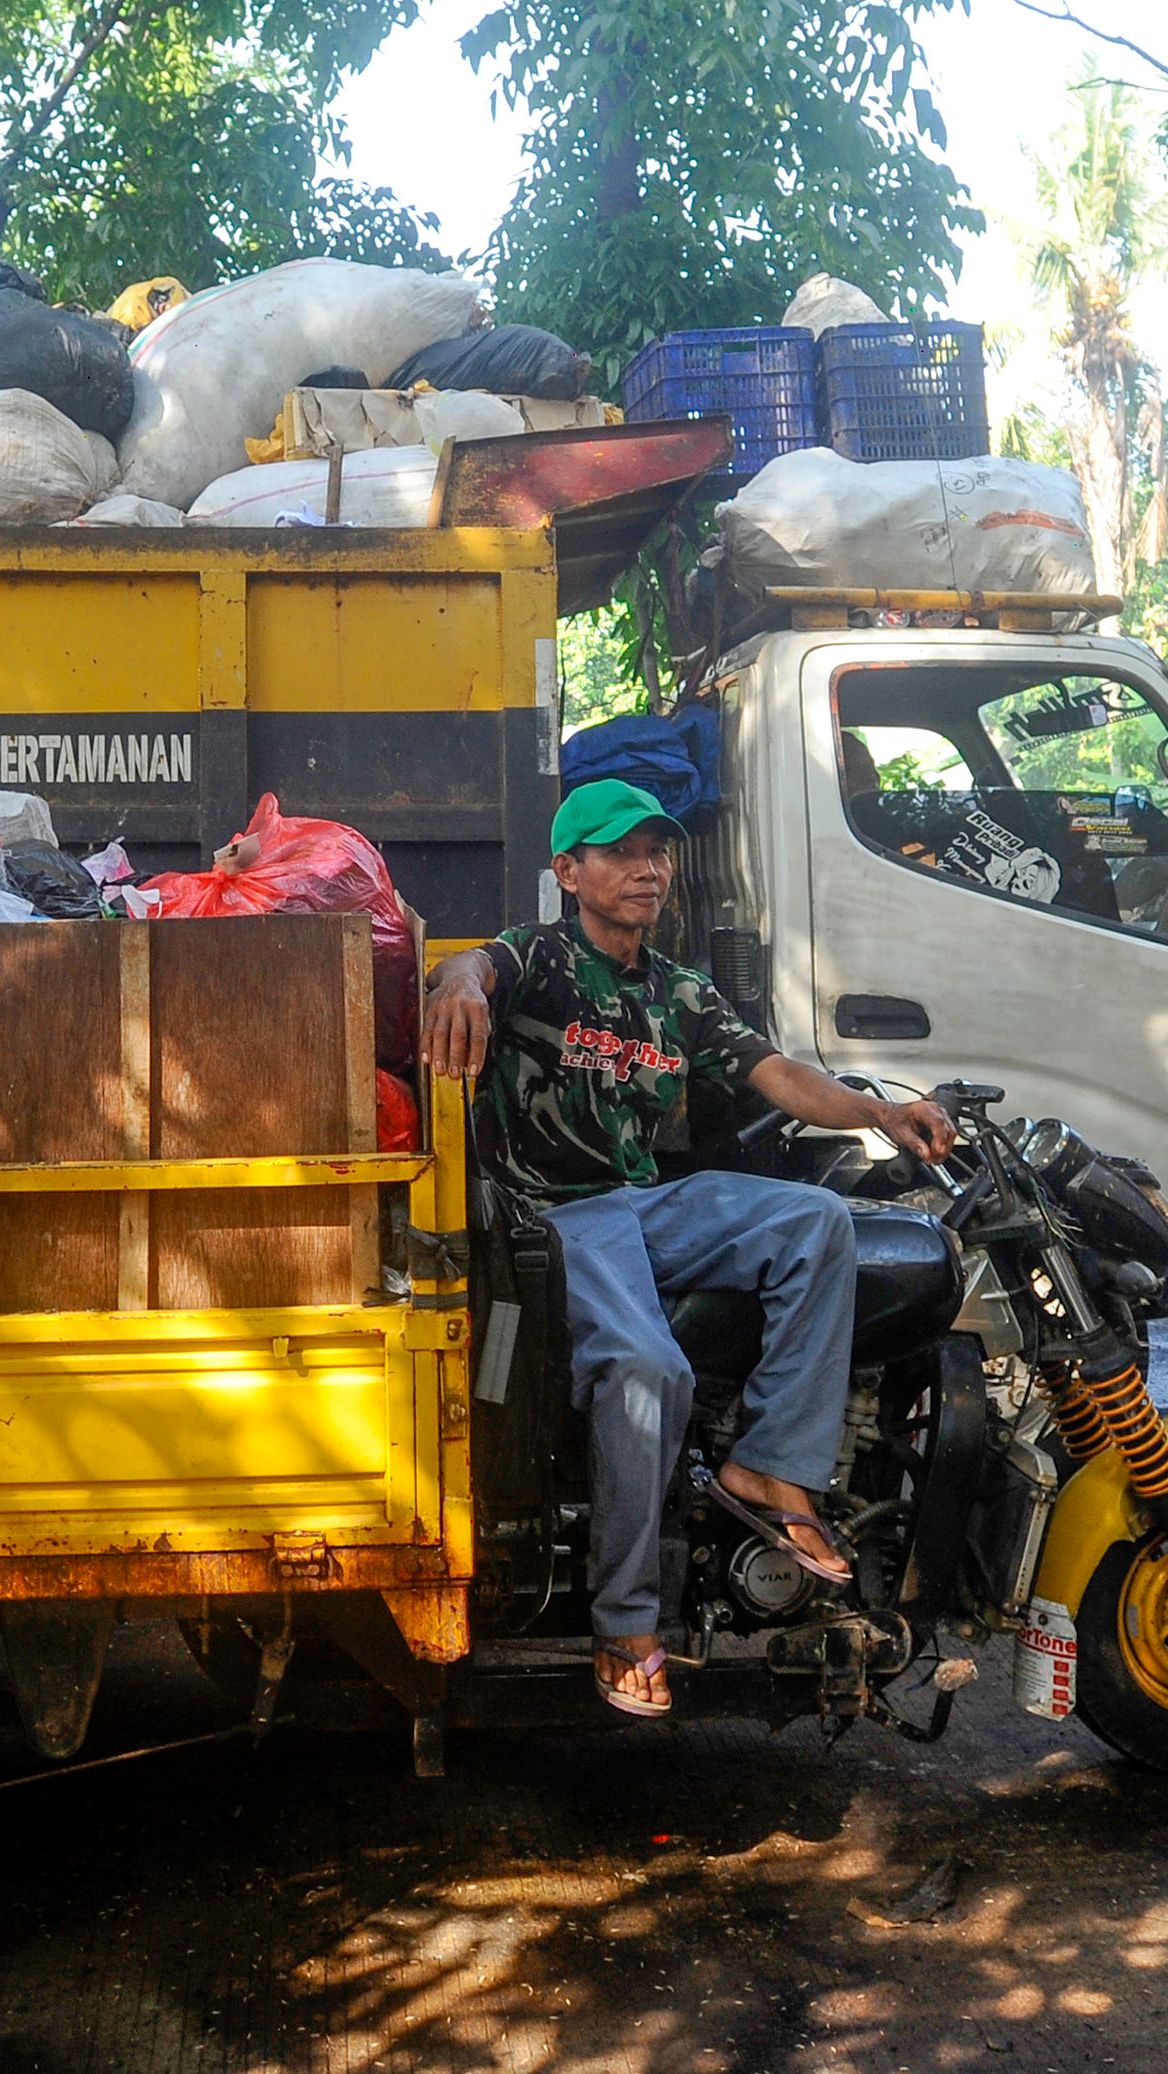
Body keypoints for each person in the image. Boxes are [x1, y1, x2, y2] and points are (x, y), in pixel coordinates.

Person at [421, 779, 955, 1720]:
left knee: (816, 1221)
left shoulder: (675, 989)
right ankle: (625, 1622)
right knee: (645, 1369)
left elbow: (778, 1074)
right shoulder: (540, 957)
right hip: (557, 1215)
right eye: (622, 853)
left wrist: (881, 1112)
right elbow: (473, 973)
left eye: (658, 852)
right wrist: (458, 982)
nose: (648, 869)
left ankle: (770, 1464)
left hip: (645, 1202)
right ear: (569, 871)